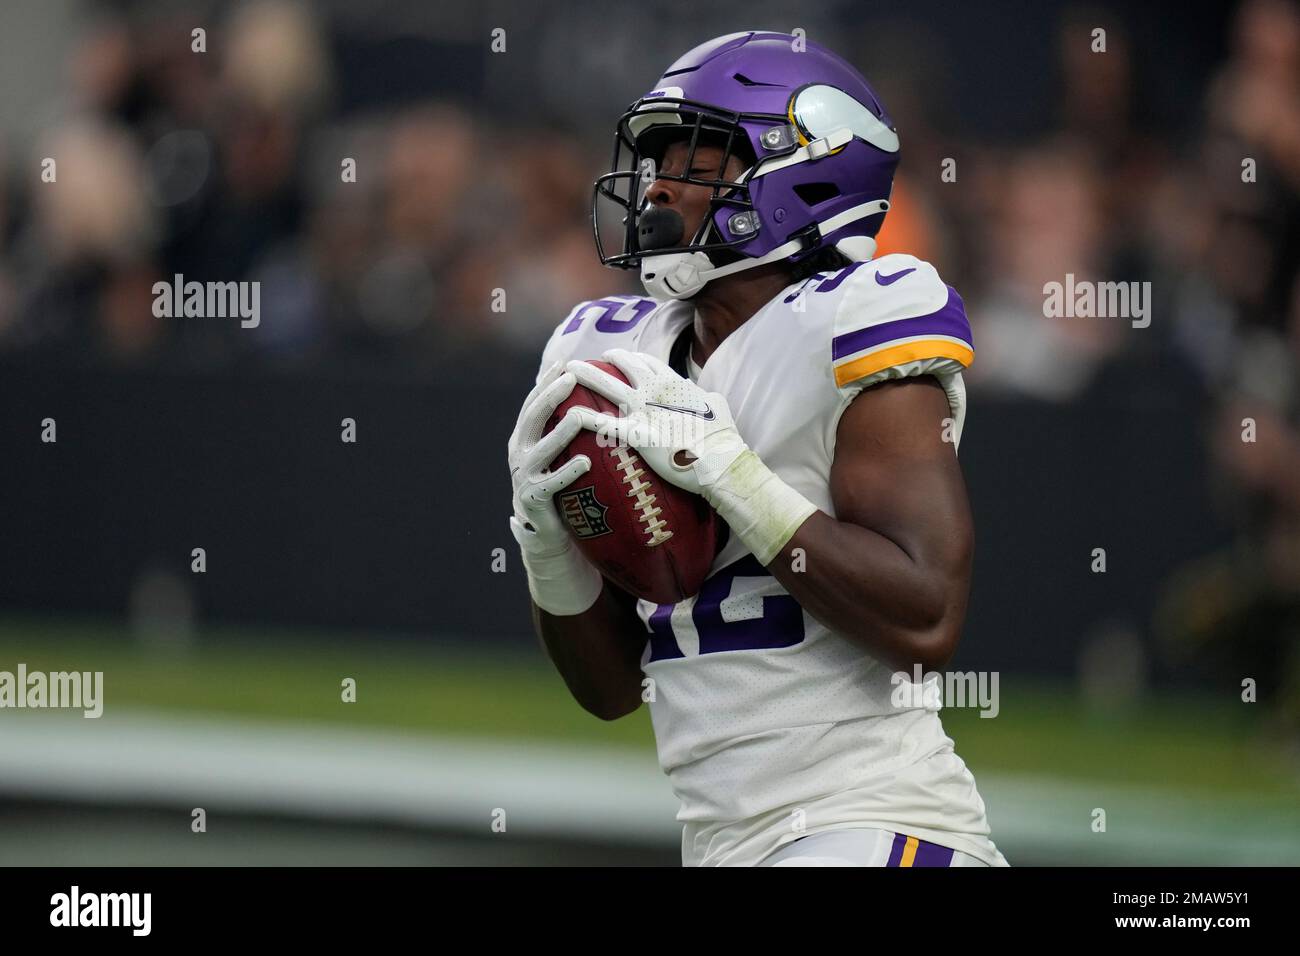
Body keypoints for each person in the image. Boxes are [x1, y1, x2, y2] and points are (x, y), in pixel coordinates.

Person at [507, 31, 1006, 867]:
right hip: (727, 846)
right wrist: (545, 545)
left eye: (697, 157)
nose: (659, 186)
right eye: (655, 160)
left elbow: (928, 616)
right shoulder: (608, 355)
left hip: (873, 823)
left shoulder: (854, 322)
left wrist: (735, 479)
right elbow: (608, 693)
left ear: (803, 173)